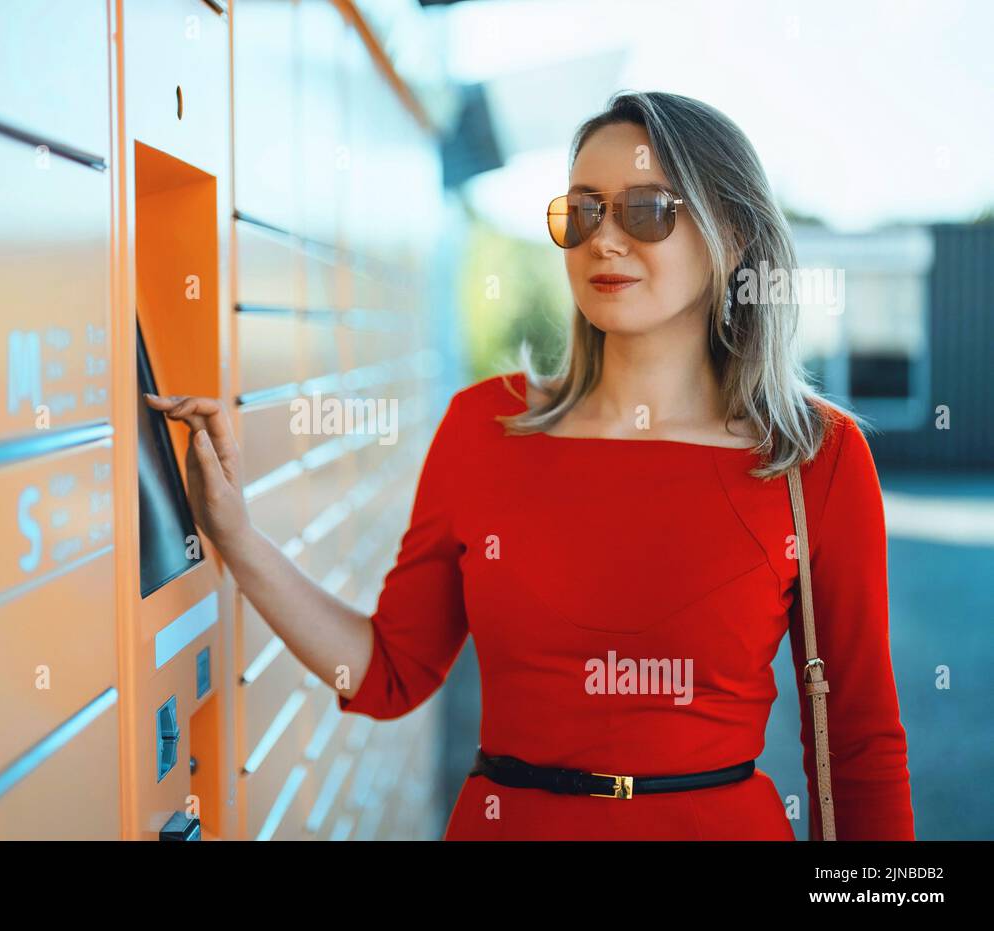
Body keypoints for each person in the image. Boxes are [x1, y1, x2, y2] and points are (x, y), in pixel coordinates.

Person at [144, 90, 915, 841]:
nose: (604, 240)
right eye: (583, 211)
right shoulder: (485, 427)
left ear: (734, 239)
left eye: (647, 210)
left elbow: (860, 742)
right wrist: (237, 535)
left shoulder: (815, 457)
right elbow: (386, 676)